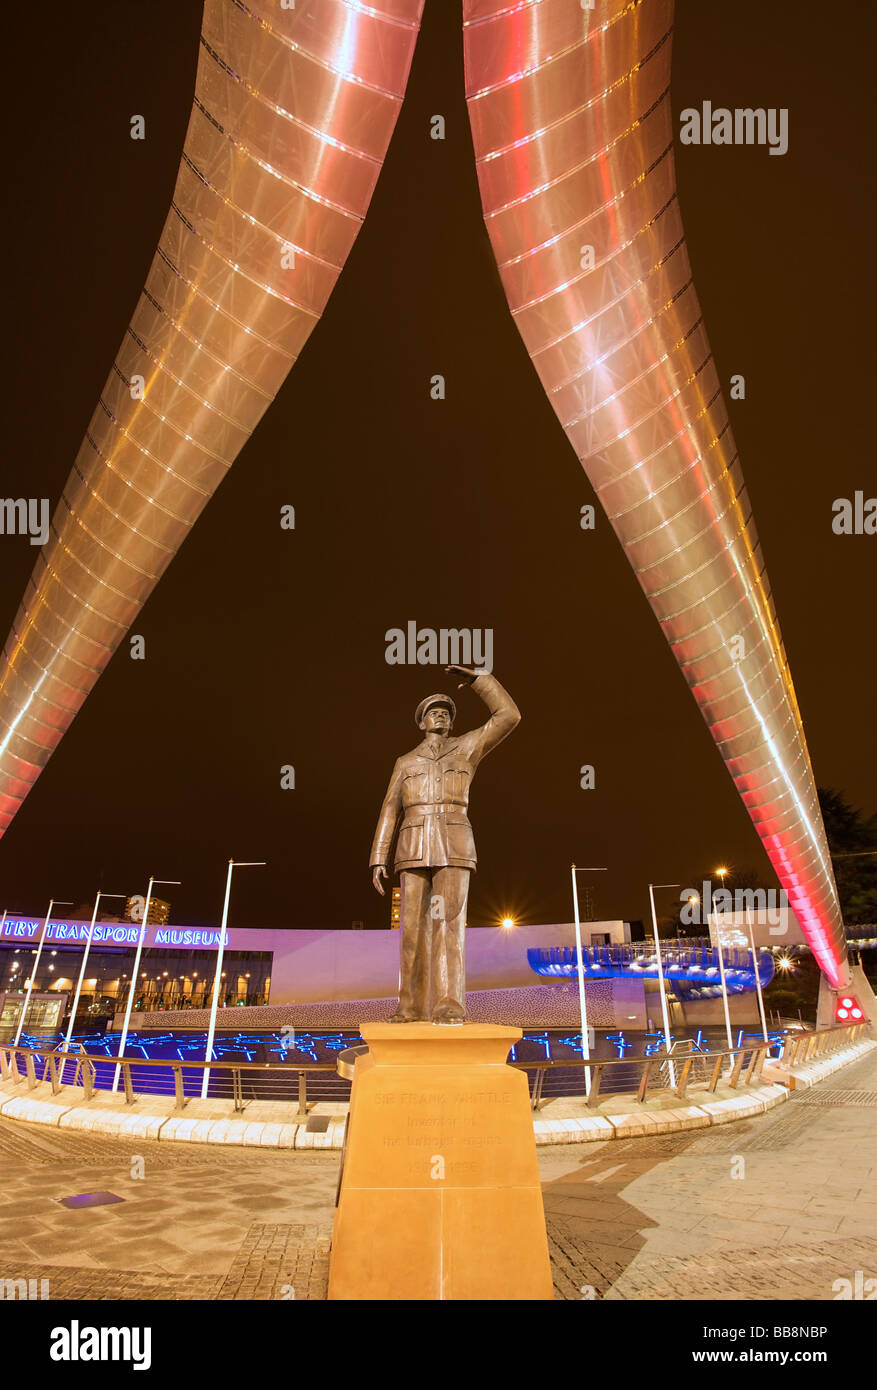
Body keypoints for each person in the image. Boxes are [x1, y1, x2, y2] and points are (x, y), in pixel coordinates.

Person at [370, 664, 520, 1023]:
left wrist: (480, 680)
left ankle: (449, 1004)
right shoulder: (406, 762)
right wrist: (378, 856)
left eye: (446, 712)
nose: (440, 716)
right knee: (411, 931)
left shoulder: (467, 748)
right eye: (433, 712)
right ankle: (409, 1006)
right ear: (422, 722)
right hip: (412, 846)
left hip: (453, 843)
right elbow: (390, 808)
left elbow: (509, 716)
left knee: (449, 925)